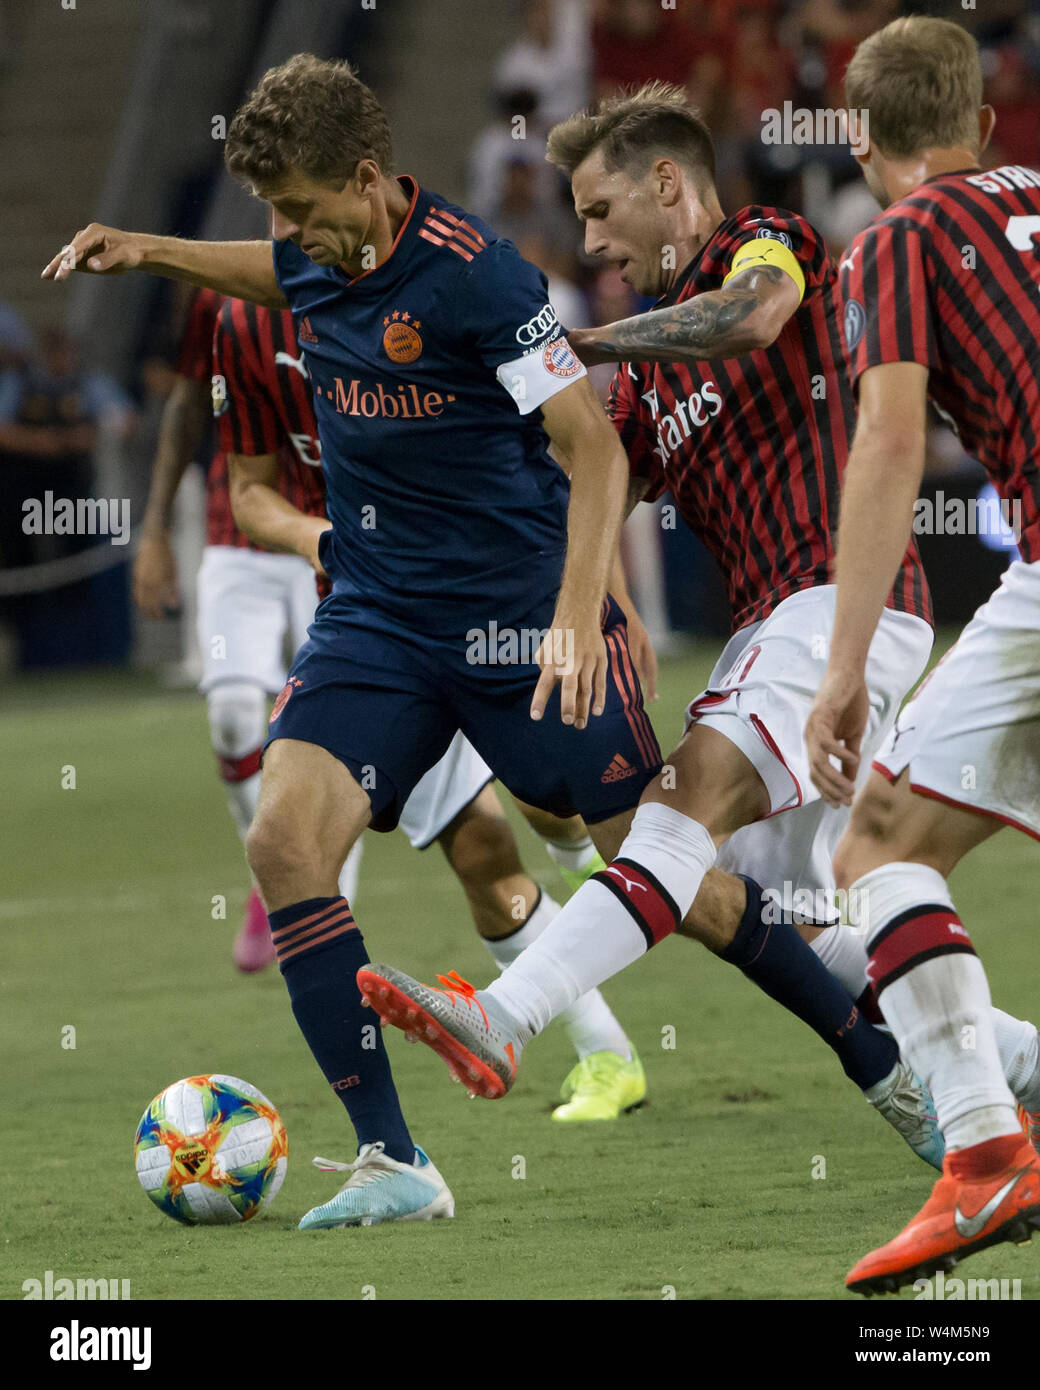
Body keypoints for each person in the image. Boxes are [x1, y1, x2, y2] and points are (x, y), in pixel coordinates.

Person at [357, 82, 1040, 1180]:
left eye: (598, 211)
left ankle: (507, 1014)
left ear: (666, 185)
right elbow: (582, 489)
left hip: (839, 603)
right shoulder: (639, 395)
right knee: (817, 919)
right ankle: (1014, 1073)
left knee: (675, 813)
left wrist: (566, 336)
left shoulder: (765, 246)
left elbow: (755, 316)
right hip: (776, 627)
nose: (591, 240)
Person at [44, 55, 662, 1225]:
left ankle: (909, 1043)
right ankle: (392, 1158)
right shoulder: (307, 278)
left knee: (675, 869)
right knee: (286, 846)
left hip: (513, 610)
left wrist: (580, 612)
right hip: (377, 616)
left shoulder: (482, 277)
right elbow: (267, 283)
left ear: (367, 180)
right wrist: (148, 246)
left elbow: (592, 448)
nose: (281, 236)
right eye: (270, 214)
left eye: (297, 211)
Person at [213, 290, 647, 1140]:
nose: (289, 228)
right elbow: (248, 494)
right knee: (472, 846)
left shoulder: (429, 300)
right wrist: (317, 539)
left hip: (478, 599)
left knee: (548, 817)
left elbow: (569, 455)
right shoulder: (246, 327)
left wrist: (611, 603)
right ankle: (603, 1050)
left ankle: (640, 896)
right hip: (368, 630)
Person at [803, 15, 1040, 1295]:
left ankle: (984, 1150)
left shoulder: (893, 241)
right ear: (984, 125)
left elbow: (887, 441)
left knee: (875, 846)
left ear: (857, 139)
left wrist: (842, 666)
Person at [133, 287, 363, 972]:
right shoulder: (223, 300)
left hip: (343, 539)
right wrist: (153, 531)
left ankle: (322, 916)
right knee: (235, 719)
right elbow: (184, 404)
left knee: (342, 735)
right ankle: (271, 876)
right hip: (244, 532)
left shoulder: (370, 284)